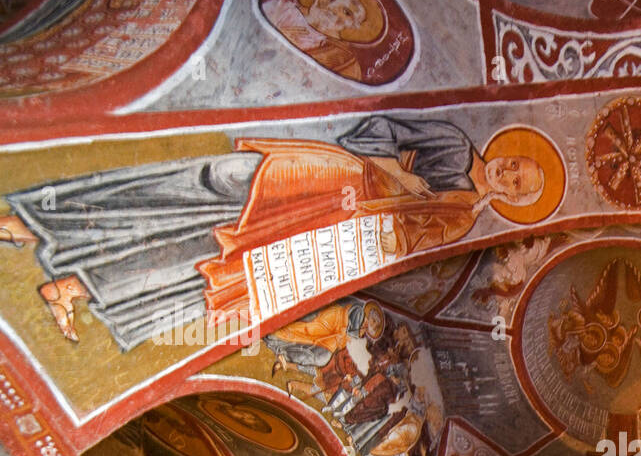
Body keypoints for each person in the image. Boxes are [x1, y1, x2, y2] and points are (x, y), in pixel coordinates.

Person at [0, 115, 545, 349]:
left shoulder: (465, 216)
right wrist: (400, 172)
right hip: (324, 183)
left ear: (514, 202)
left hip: (331, 242)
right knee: (210, 190)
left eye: (519, 189)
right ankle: (40, 218)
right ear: (509, 154)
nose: (511, 178)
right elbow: (377, 131)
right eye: (518, 167)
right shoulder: (452, 141)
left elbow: (404, 243)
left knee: (214, 269)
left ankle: (75, 285)